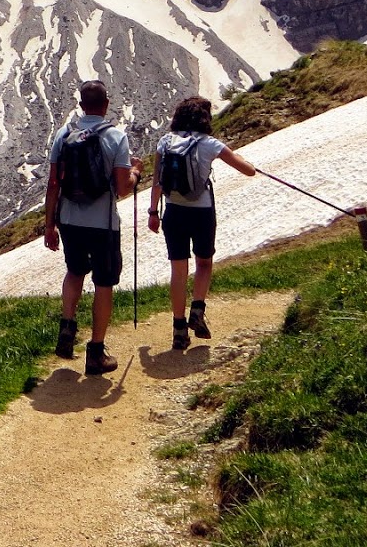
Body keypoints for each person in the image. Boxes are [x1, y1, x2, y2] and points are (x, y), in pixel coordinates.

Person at [146, 96, 256, 350]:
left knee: (178, 269)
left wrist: (153, 212)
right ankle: (197, 309)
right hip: (202, 212)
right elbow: (248, 170)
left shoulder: (165, 142)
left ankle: (178, 328)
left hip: (173, 211)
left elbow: (157, 182)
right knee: (204, 263)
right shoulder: (209, 144)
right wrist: (239, 157)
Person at [44, 79, 137, 375]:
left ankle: (68, 326)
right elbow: (122, 188)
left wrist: (50, 225)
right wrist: (135, 172)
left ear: (81, 105)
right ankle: (96, 352)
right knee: (104, 283)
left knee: (74, 272)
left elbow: (54, 183)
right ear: (106, 104)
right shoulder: (116, 137)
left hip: (70, 220)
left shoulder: (64, 134)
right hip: (103, 223)